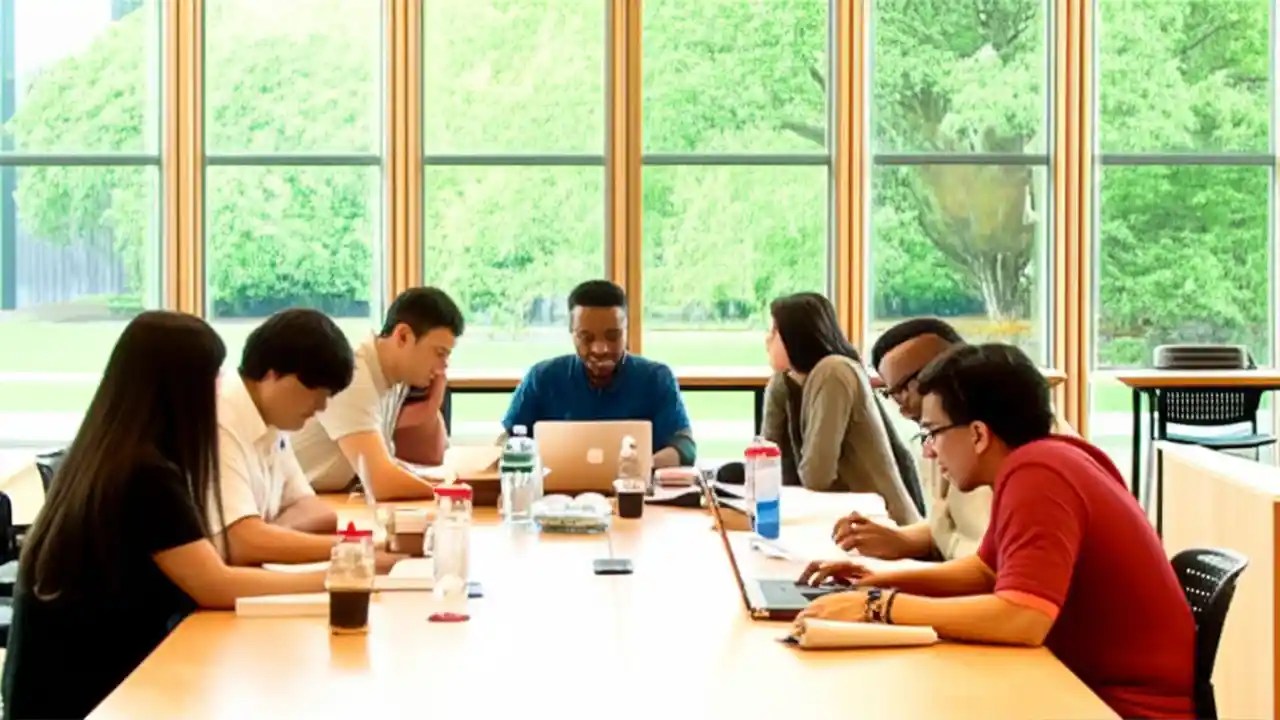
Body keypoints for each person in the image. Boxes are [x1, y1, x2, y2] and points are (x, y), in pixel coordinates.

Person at [797, 344, 1196, 720]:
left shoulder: (1039, 476)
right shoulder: (1049, 459)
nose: (929, 452)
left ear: (978, 434)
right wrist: (878, 582)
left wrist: (879, 607)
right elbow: (987, 572)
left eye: (933, 433)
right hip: (1083, 689)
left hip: (1118, 708)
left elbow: (1023, 616)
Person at [1, 312, 331, 720]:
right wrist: (338, 578)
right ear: (180, 388)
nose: (219, 392)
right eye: (212, 378)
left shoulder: (109, 455)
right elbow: (215, 584)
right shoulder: (143, 475)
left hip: (71, 687)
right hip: (94, 696)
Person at [213, 309, 402, 570]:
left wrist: (268, 534)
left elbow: (318, 513)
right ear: (273, 373)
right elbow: (242, 543)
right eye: (316, 391)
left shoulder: (272, 421)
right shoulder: (222, 419)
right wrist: (355, 546)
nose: (321, 407)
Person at [760, 293, 920, 525]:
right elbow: (767, 463)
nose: (767, 340)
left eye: (774, 331)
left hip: (885, 528)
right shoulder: (786, 382)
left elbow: (817, 476)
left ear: (796, 335)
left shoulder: (834, 372)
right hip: (838, 522)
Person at [831, 317, 984, 560]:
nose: (904, 410)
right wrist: (893, 539)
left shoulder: (1014, 441)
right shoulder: (942, 432)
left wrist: (883, 590)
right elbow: (949, 530)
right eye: (892, 394)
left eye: (904, 389)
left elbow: (990, 570)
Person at [501, 280, 695, 468]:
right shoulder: (543, 377)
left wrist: (643, 466)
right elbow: (506, 439)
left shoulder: (656, 378)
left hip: (635, 493)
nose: (600, 349)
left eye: (613, 336)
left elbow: (685, 447)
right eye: (586, 338)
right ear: (571, 331)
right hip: (554, 497)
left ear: (626, 330)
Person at [293, 287, 464, 499]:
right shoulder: (352, 373)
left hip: (323, 496)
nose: (443, 367)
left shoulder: (395, 379)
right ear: (403, 336)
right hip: (287, 504)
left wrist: (441, 481)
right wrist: (451, 493)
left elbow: (384, 465)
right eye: (439, 353)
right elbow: (380, 481)